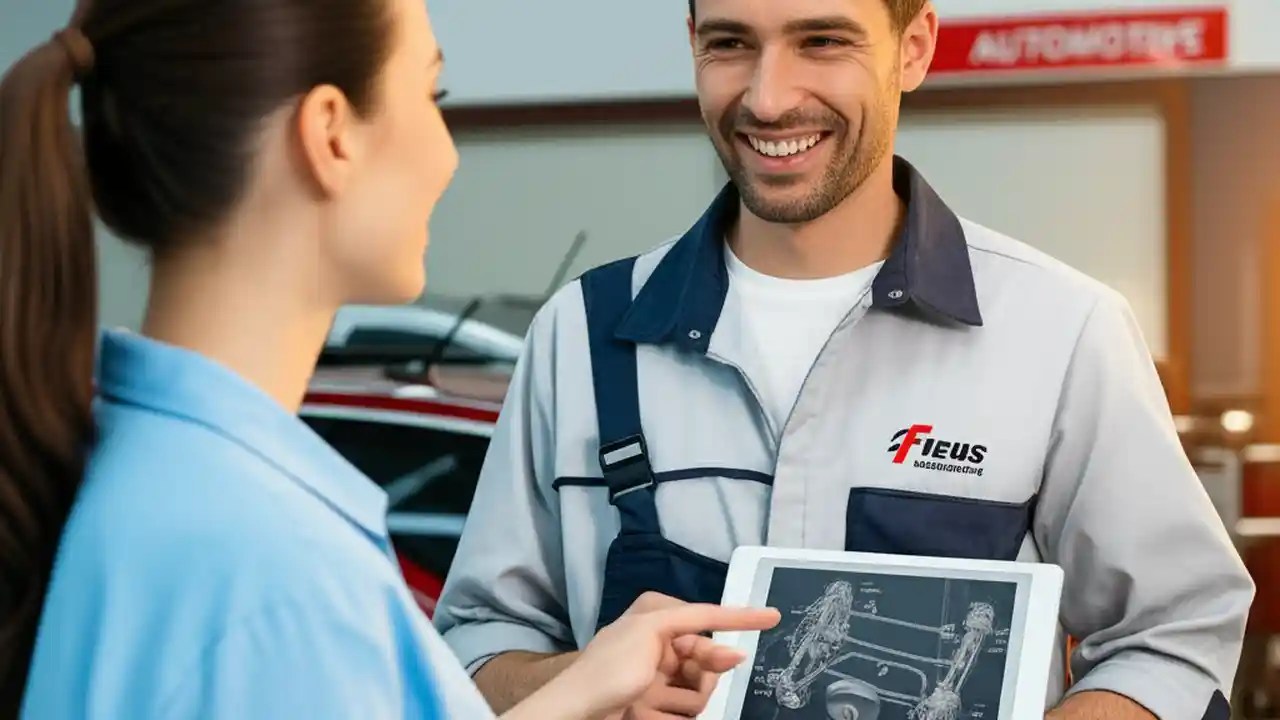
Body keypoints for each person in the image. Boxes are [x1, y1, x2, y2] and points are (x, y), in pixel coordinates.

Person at [433, 0, 1256, 718]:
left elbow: (1173, 633)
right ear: (692, 44)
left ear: (915, 47)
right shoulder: (579, 336)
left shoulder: (1061, 330)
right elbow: (479, 636)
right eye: (730, 45)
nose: (769, 96)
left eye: (822, 41)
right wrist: (586, 682)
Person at [0, 0, 782, 717]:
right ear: (331, 133)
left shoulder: (156, 484)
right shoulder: (269, 578)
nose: (447, 157)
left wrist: (577, 689)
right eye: (431, 98)